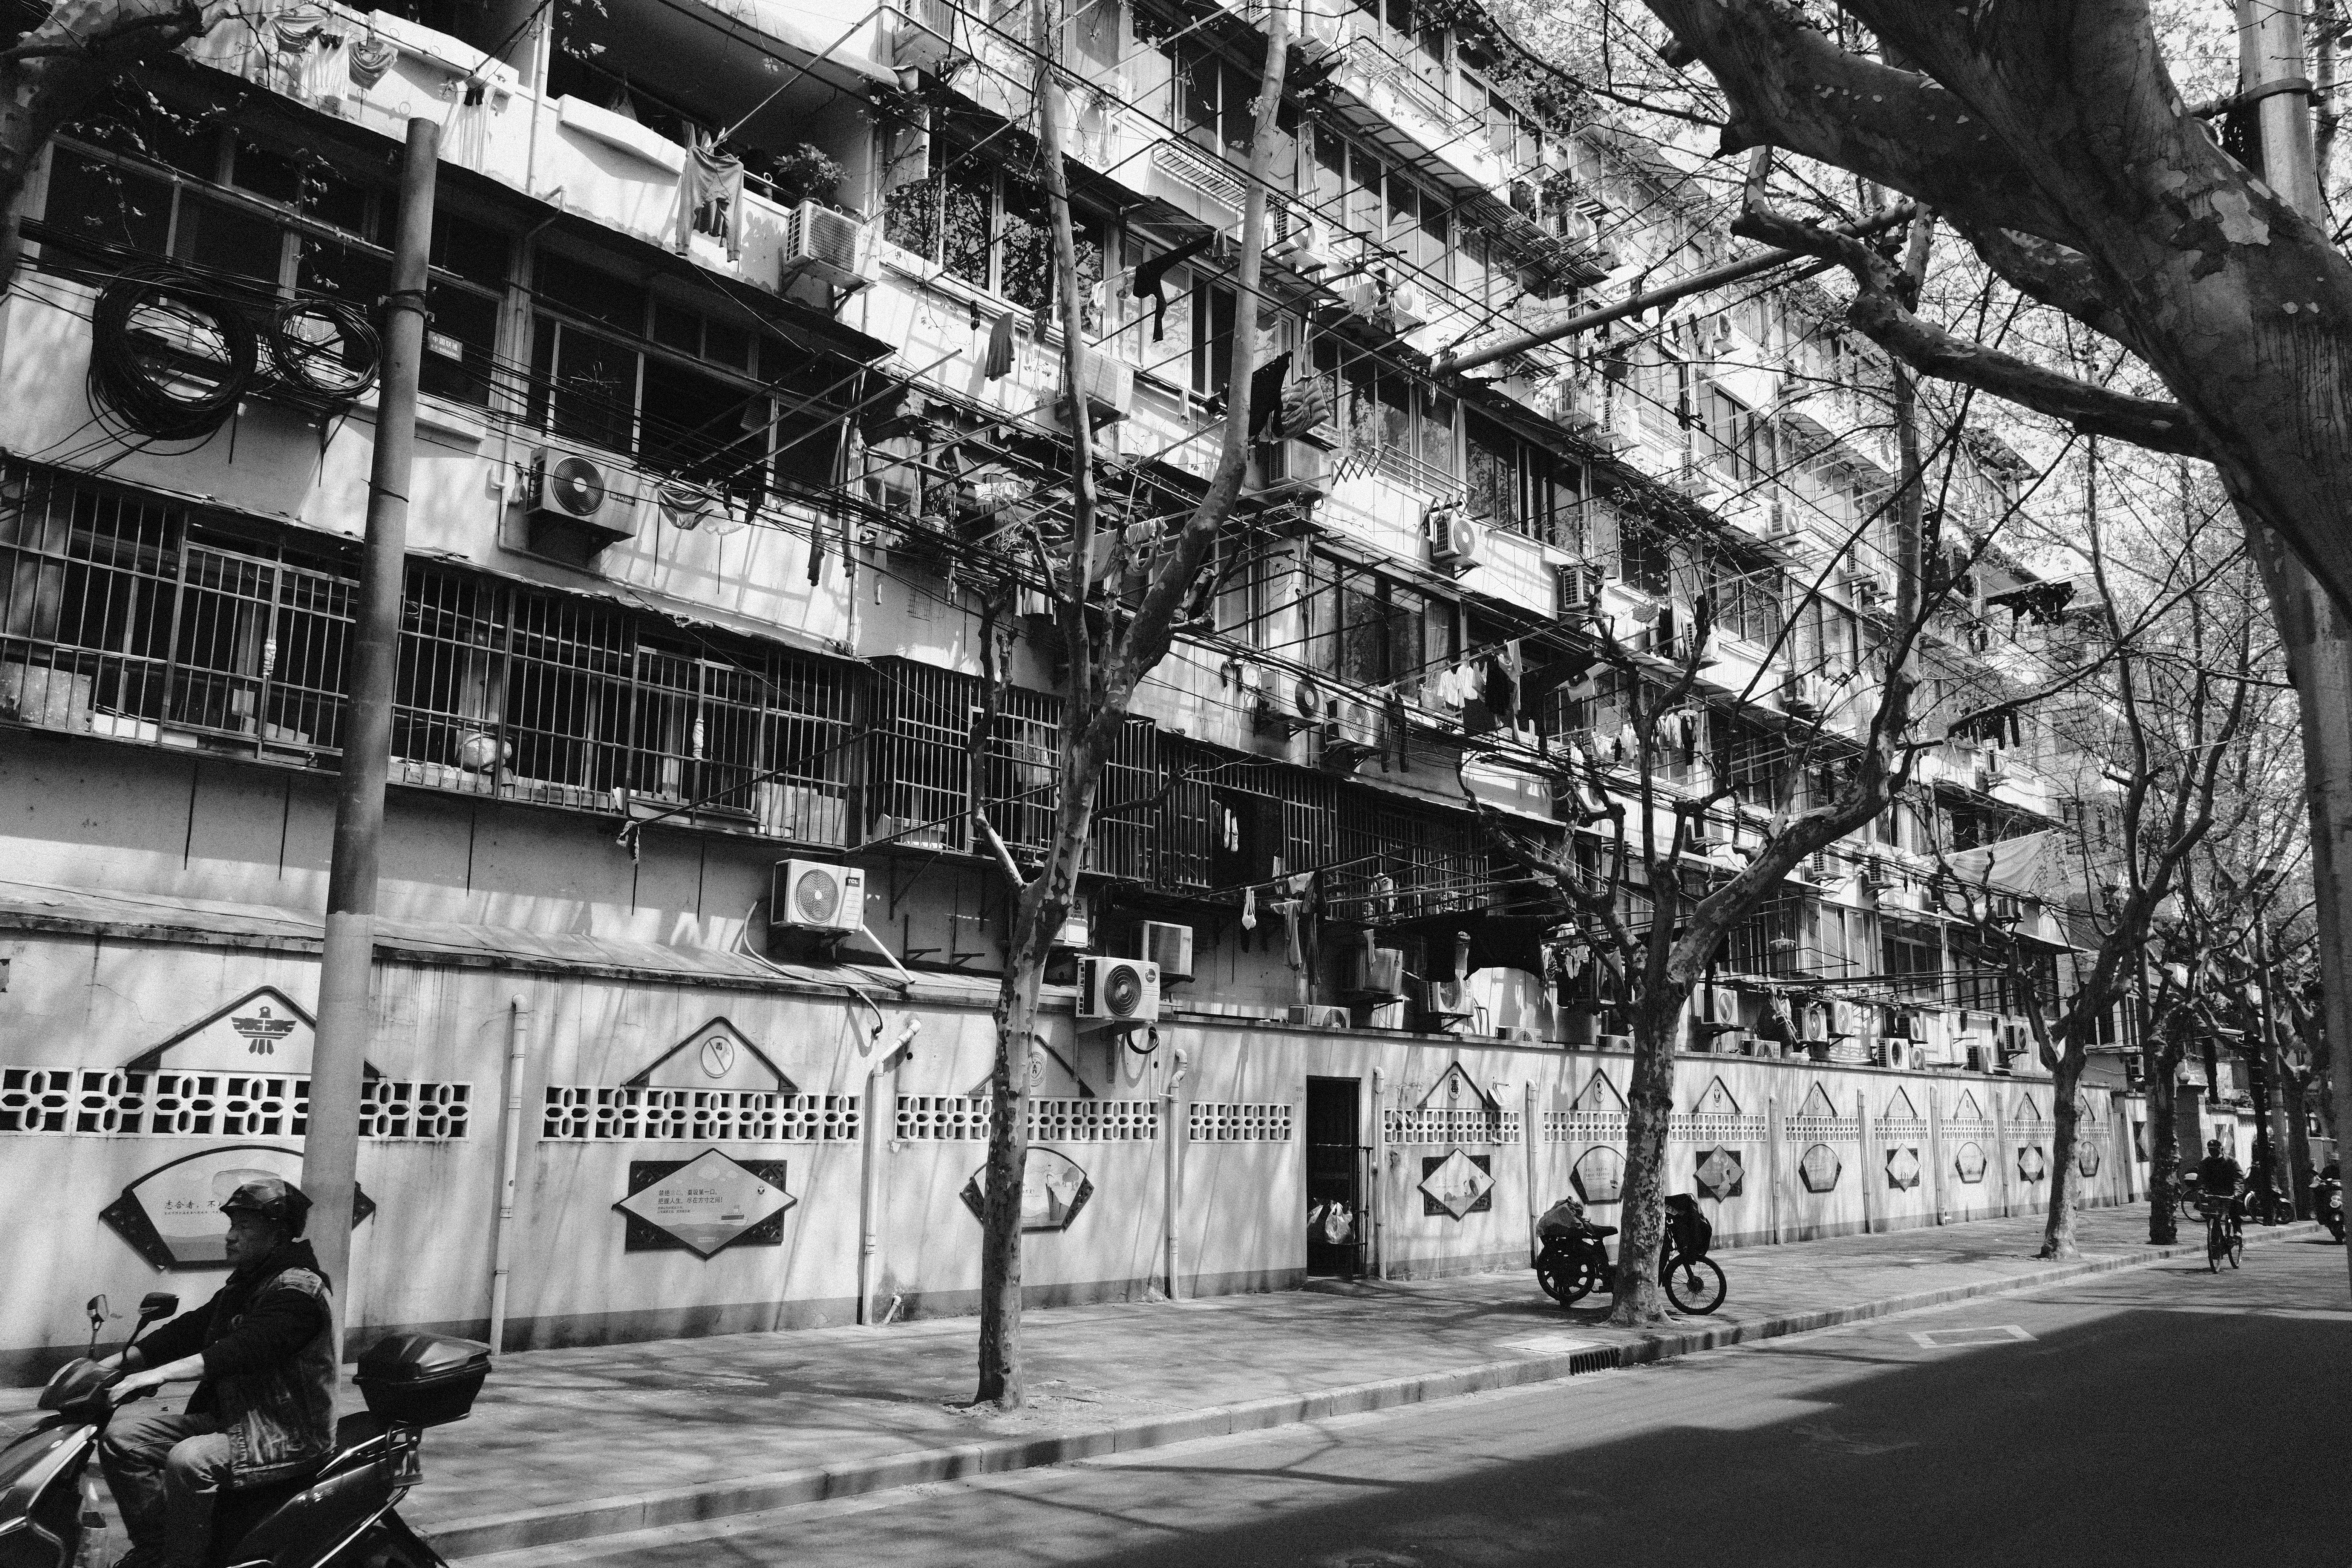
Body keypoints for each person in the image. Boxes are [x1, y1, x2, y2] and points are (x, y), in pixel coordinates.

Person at [96, 1177, 337, 1568]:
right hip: (236, 1420)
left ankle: (184, 1562)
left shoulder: (299, 1290)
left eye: (243, 1228)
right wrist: (116, 1363)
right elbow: (191, 1329)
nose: (230, 1236)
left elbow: (244, 1349)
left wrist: (159, 1375)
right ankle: (157, 1545)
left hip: (287, 1431)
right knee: (121, 1438)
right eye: (232, 1225)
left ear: (277, 1234)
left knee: (190, 1459)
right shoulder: (245, 1284)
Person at [2195, 1139, 2246, 1237]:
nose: (2212, 1152)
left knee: (2233, 1211)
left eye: (2215, 1149)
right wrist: (2201, 1189)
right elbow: (2201, 1179)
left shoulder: (2231, 1162)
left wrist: (2237, 1192)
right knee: (2211, 1216)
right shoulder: (2205, 1163)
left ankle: (2237, 1229)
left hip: (2229, 1193)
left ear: (2221, 1149)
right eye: (2210, 1150)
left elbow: (2239, 1178)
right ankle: (2216, 1238)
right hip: (2213, 1193)